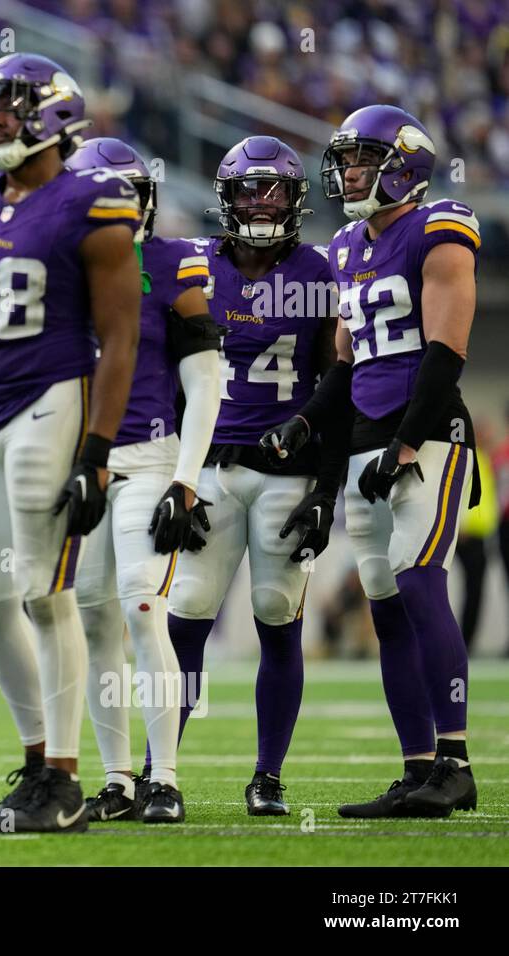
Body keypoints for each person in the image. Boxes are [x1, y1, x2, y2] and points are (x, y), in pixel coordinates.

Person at [0, 53, 143, 833]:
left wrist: (97, 450)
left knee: (46, 591)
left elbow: (119, 335)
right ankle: (38, 758)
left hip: (53, 396)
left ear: (54, 116)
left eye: (9, 108)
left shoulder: (92, 201)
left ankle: (67, 780)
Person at [267, 105, 481, 817]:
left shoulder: (439, 226)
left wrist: (409, 442)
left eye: (364, 159)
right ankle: (418, 768)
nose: (350, 172)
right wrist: (306, 432)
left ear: (406, 165)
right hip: (363, 443)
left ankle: (455, 761)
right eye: (347, 160)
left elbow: (446, 353)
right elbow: (342, 369)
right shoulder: (345, 248)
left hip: (427, 439)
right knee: (386, 612)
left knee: (421, 583)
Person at [164, 136, 342, 816]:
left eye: (273, 189)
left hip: (286, 474)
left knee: (276, 618)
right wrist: (169, 476)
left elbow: (335, 384)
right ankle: (160, 769)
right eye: (248, 189)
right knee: (183, 619)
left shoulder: (318, 272)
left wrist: (327, 490)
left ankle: (267, 776)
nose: (260, 201)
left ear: (295, 199)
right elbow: (164, 377)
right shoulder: (195, 266)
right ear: (225, 196)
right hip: (206, 469)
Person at [67, 138, 222, 824]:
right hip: (79, 469)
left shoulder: (170, 263)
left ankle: (166, 777)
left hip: (149, 460)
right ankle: (117, 779)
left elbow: (205, 378)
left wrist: (186, 480)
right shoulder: (50, 274)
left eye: (130, 195)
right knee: (93, 620)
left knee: (141, 608)